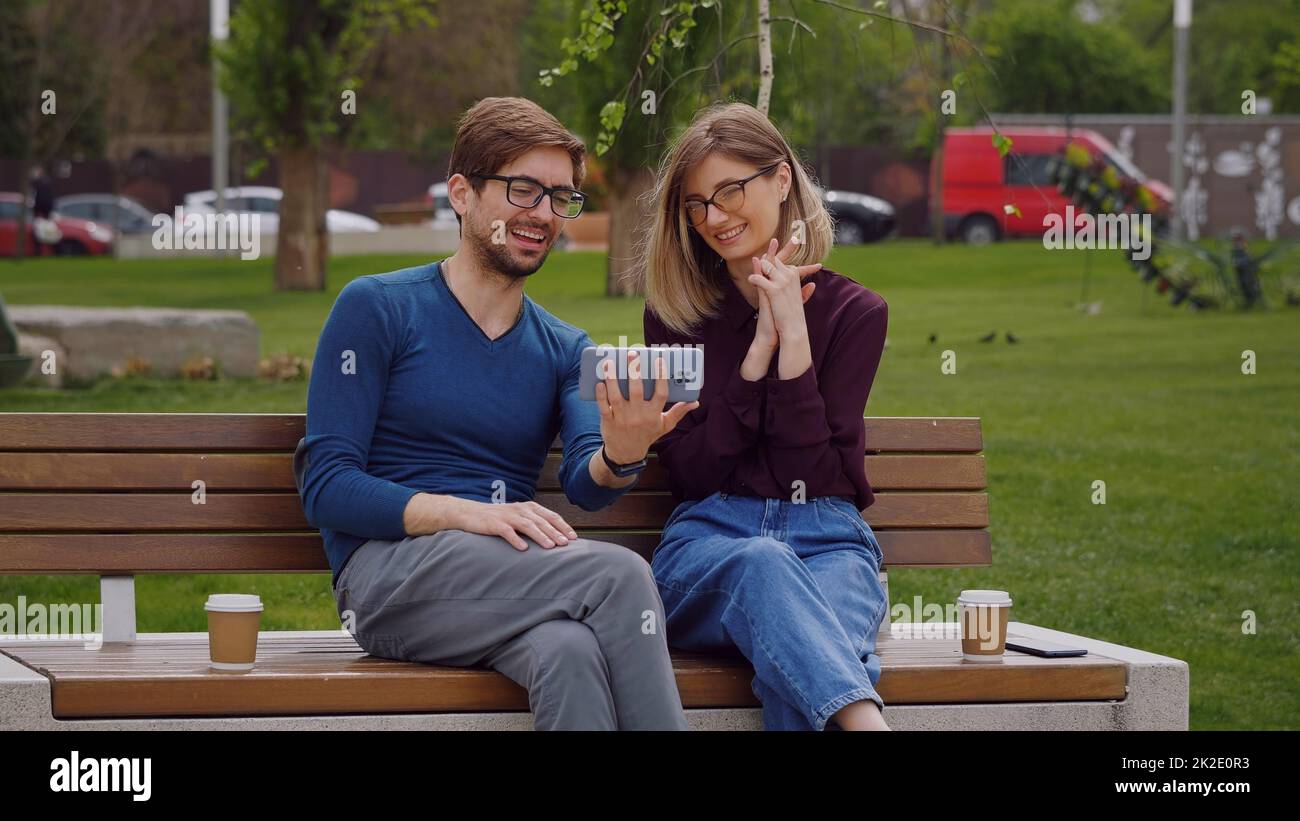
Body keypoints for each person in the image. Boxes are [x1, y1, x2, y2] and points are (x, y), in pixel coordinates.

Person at [294, 97, 697, 730]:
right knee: (620, 577)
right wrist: (463, 513)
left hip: (500, 580)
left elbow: (584, 487)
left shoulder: (565, 347)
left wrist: (622, 455)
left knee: (568, 651)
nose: (543, 214)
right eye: (523, 190)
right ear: (462, 194)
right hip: (388, 576)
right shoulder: (376, 308)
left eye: (560, 197)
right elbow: (325, 486)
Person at [638, 101, 891, 731]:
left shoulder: (855, 313)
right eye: (696, 204)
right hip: (709, 546)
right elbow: (693, 472)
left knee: (810, 652)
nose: (714, 217)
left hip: (829, 540)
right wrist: (756, 357)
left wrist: (794, 339)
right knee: (766, 567)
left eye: (729, 191)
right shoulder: (674, 319)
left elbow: (811, 468)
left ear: (781, 180)